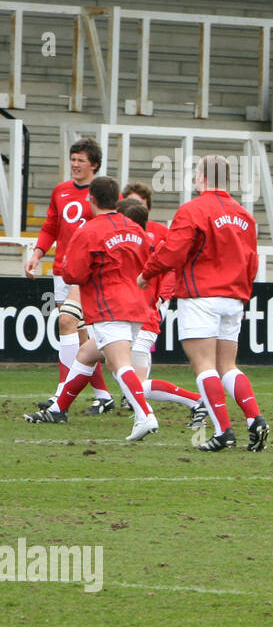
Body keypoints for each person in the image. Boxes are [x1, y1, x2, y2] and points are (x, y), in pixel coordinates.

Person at [138, 155, 268, 452]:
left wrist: (147, 274)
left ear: (202, 178)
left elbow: (173, 251)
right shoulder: (245, 216)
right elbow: (252, 260)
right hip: (234, 298)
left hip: (201, 297)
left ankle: (223, 431)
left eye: (196, 174)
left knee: (204, 365)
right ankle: (255, 419)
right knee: (228, 366)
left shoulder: (193, 210)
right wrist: (241, 291)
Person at [23, 176, 159, 441]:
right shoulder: (135, 229)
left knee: (117, 362)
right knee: (86, 353)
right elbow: (148, 263)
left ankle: (145, 414)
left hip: (109, 305)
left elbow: (71, 273)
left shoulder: (89, 230)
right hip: (136, 305)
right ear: (117, 198)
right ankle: (59, 409)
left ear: (91, 199)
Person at [25, 137, 116, 414]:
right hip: (64, 270)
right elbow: (51, 226)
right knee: (81, 335)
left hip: (90, 273)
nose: (75, 165)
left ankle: (61, 395)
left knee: (67, 323)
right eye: (73, 159)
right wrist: (38, 253)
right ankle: (102, 394)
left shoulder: (105, 194)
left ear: (94, 165)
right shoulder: (61, 191)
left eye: (81, 161)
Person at [116, 195, 207, 428]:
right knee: (104, 359)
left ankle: (197, 401)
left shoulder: (152, 242)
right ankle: (64, 404)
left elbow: (171, 268)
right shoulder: (128, 244)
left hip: (143, 315)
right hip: (128, 314)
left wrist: (163, 296)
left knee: (133, 380)